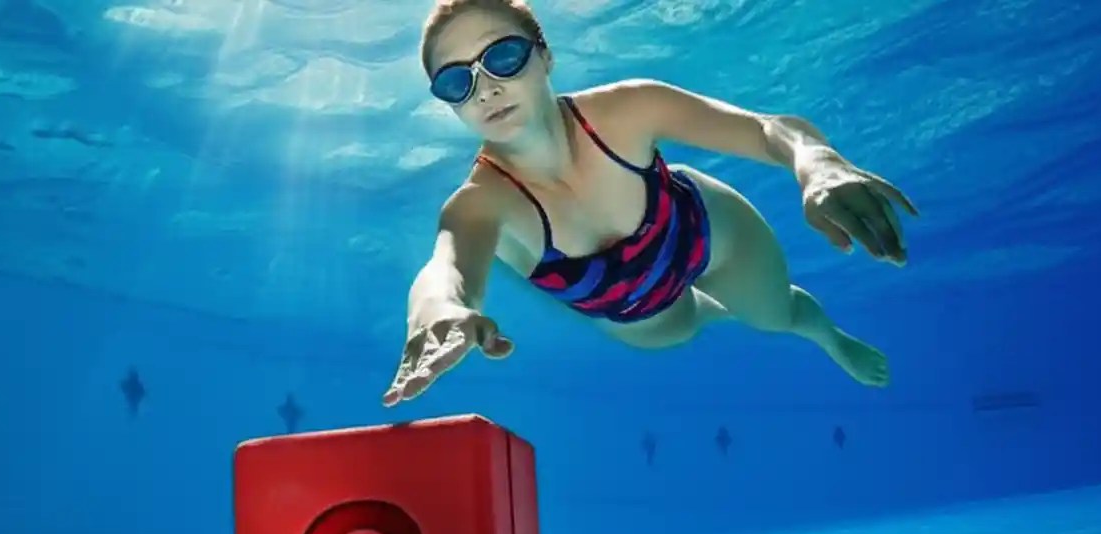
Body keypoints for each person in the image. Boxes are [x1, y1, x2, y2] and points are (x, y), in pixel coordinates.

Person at [382, 0, 919, 407]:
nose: (485, 89)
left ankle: (828, 335)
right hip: (642, 313)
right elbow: (446, 269)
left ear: (544, 56)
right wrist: (440, 313)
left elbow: (766, 129)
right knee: (695, 324)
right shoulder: (479, 204)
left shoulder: (628, 109)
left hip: (712, 236)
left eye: (502, 56)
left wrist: (815, 163)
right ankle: (715, 307)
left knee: (777, 316)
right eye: (456, 81)